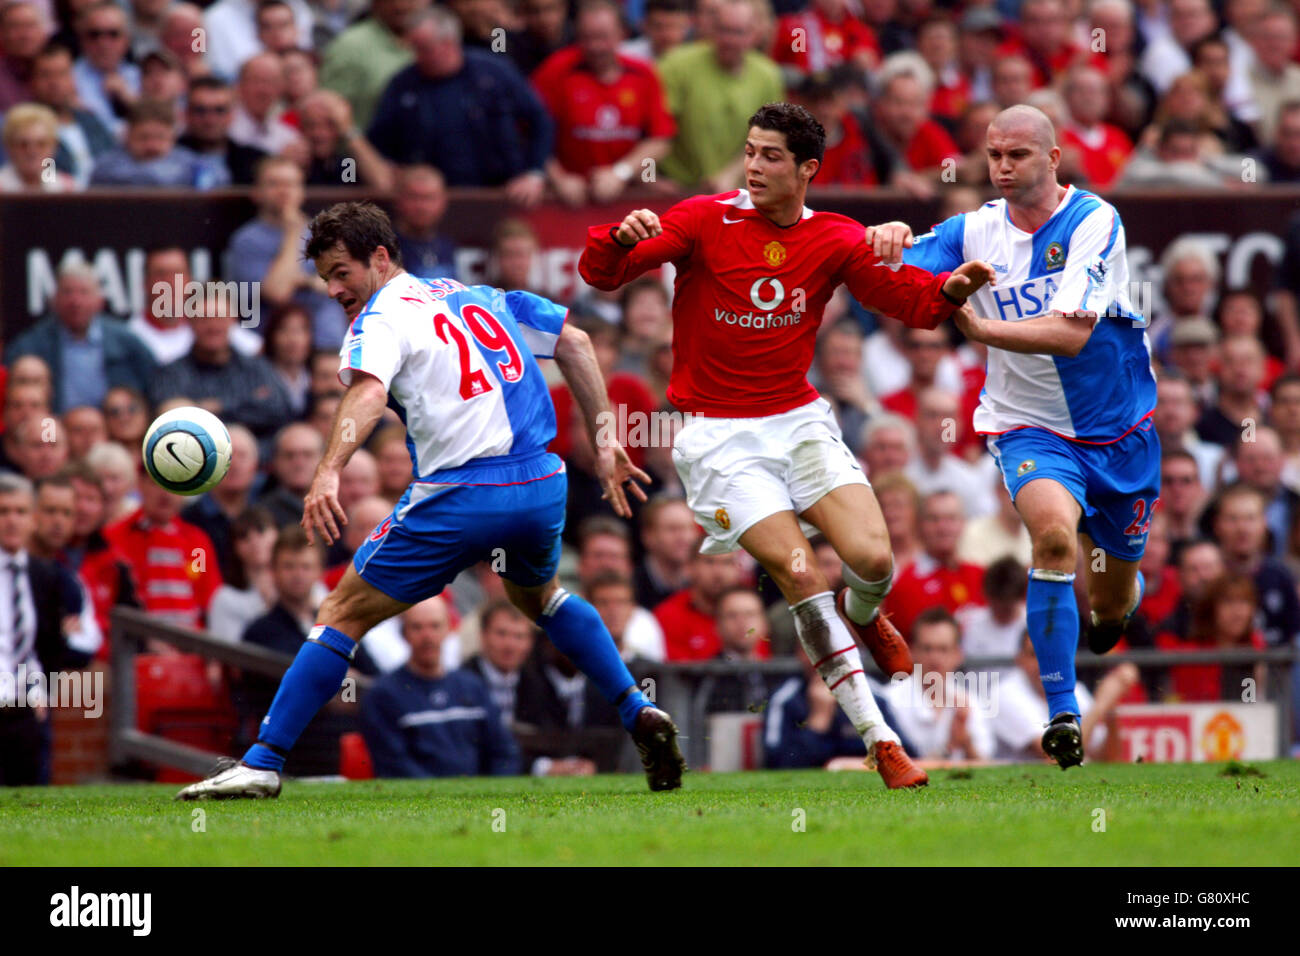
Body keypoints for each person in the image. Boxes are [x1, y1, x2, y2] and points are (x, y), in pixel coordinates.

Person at [177, 201, 684, 800]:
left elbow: (367, 393)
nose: (335, 290)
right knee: (539, 596)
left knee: (339, 614)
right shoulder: (479, 295)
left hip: (463, 492)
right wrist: (606, 444)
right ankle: (634, 707)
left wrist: (328, 471)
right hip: (543, 485)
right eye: (326, 279)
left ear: (382, 258)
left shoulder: (380, 318)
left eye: (343, 272)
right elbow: (574, 341)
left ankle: (263, 761)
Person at [579, 101, 996, 788]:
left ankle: (868, 617)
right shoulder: (702, 218)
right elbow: (604, 274)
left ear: (807, 168)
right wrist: (622, 238)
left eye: (771, 155)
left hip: (799, 420)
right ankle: (881, 739)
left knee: (871, 558)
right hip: (718, 439)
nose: (754, 165)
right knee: (803, 575)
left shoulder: (833, 237)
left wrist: (950, 287)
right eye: (749, 151)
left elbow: (910, 304)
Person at [869, 103, 1159, 768]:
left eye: (1016, 156)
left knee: (1111, 605)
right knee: (1054, 537)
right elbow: (897, 267)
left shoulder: (1094, 220)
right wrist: (884, 238)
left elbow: (1071, 332)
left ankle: (1114, 601)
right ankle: (1064, 713)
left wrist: (981, 329)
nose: (1001, 167)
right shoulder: (974, 230)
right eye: (993, 155)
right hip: (1029, 427)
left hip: (1121, 433)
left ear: (1052, 159)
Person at [0, 473, 98, 785]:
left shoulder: (47, 578)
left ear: (32, 519)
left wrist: (41, 690)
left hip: (25, 711)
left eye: (20, 512)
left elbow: (48, 645)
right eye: (3, 512)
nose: (12, 521)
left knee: (29, 804)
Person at [361, 596, 519, 777]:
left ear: (449, 629)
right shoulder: (383, 695)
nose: (427, 636)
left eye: (435, 626)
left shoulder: (472, 687)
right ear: (404, 633)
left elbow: (504, 751)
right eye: (417, 627)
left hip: (477, 798)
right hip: (418, 801)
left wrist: (493, 791)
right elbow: (393, 763)